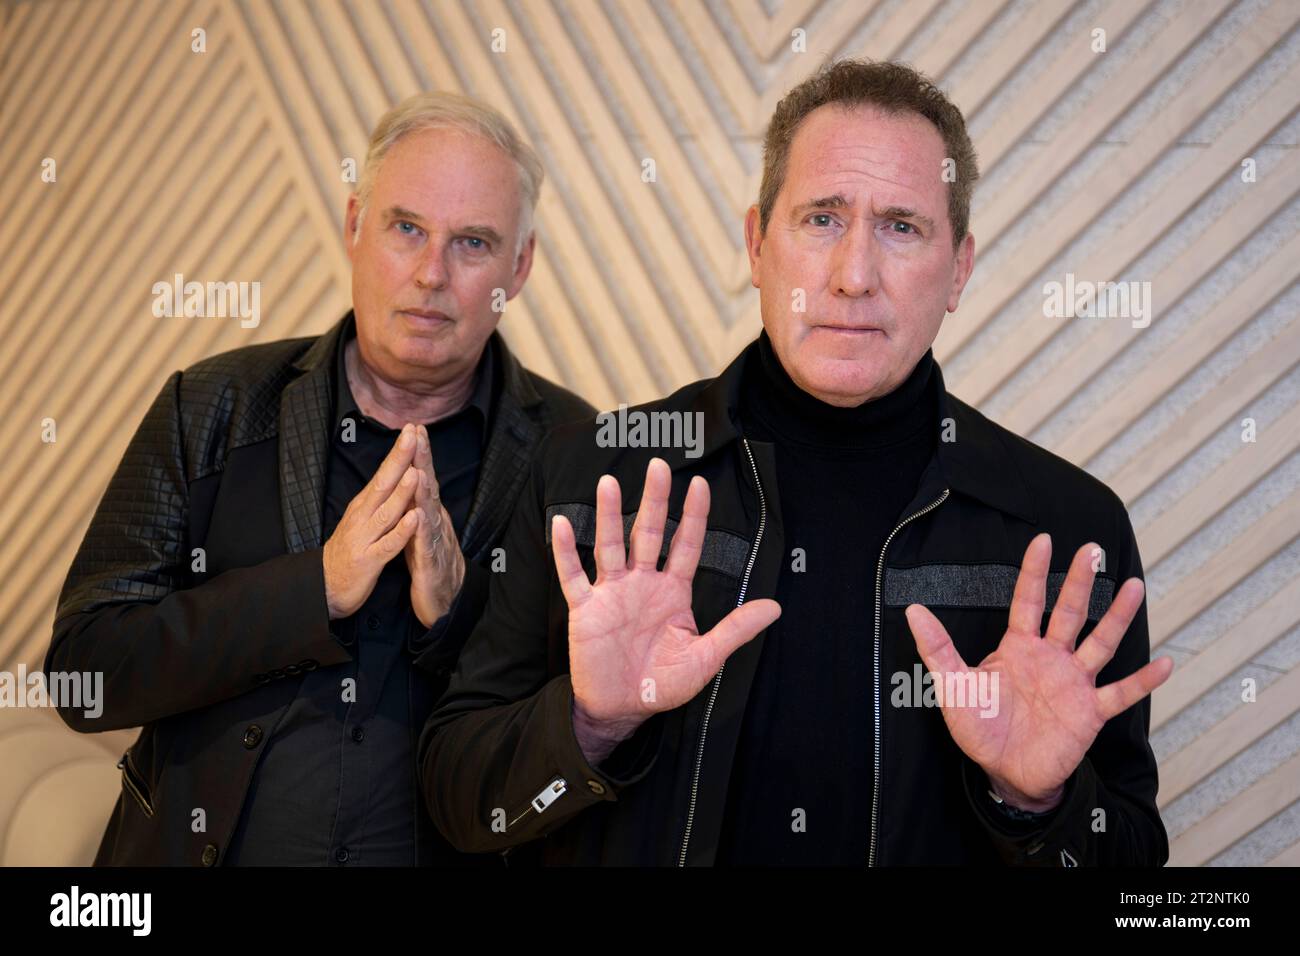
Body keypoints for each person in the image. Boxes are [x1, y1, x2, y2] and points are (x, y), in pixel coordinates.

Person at [419, 60, 1173, 866]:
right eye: (821, 219)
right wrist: (590, 725)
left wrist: (1037, 802)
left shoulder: (1064, 535)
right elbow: (462, 808)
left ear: (958, 270)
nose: (852, 277)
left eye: (902, 227)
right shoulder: (597, 479)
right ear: (756, 243)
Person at [46, 92, 593, 866]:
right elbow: (83, 677)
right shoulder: (211, 406)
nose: (431, 273)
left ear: (520, 265)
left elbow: (578, 726)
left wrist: (456, 613)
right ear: (354, 225)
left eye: (473, 242)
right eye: (406, 228)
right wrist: (315, 589)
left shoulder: (576, 450)